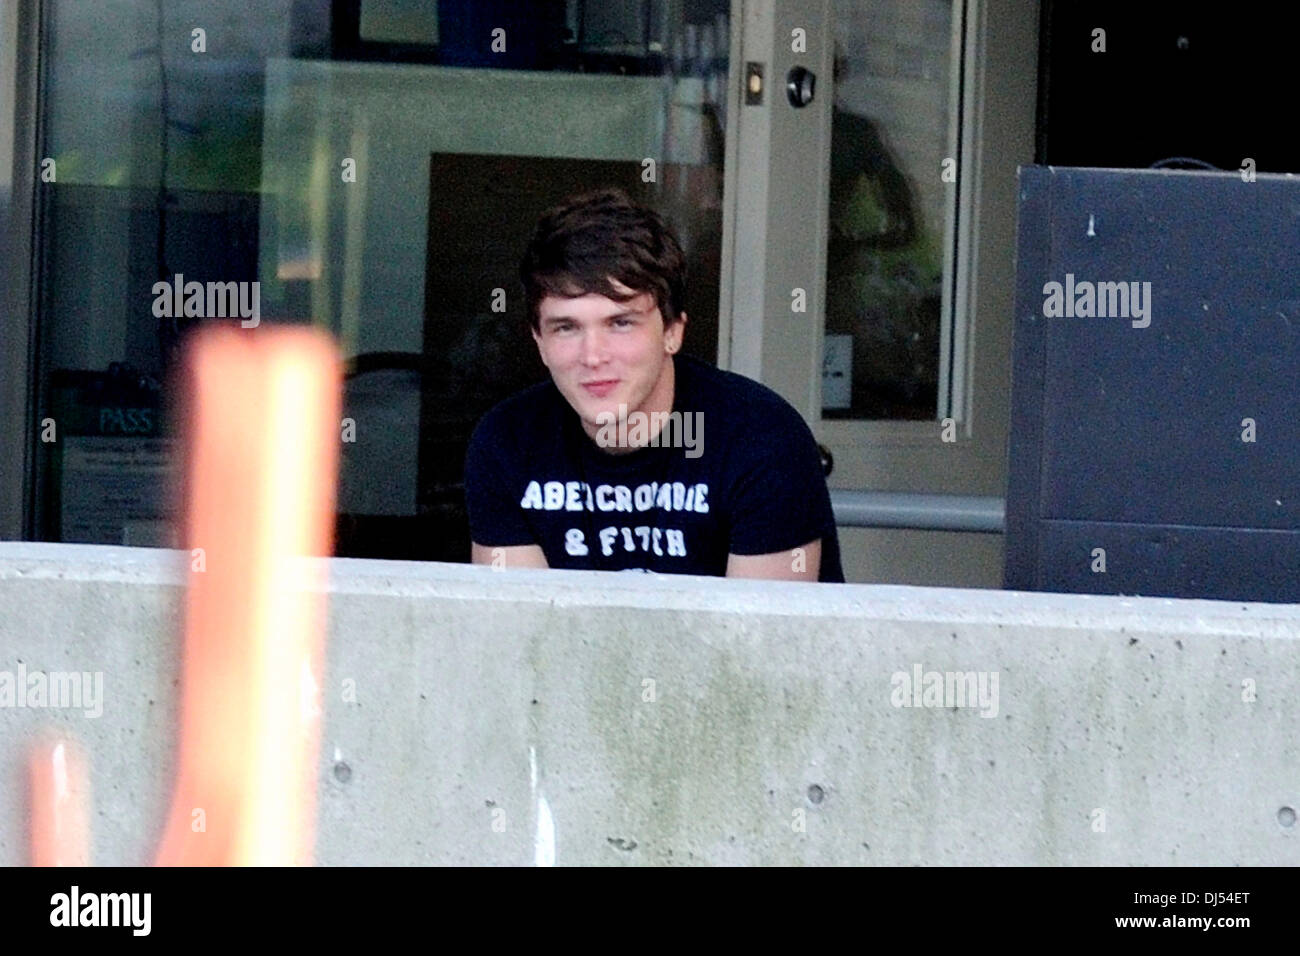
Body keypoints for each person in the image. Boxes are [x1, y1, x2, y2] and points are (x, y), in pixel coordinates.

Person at [464, 187, 844, 582]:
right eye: (566, 328)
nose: (593, 355)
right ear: (539, 342)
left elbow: (758, 639)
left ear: (673, 332)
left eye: (621, 323)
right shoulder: (507, 442)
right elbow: (522, 629)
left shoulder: (760, 439)